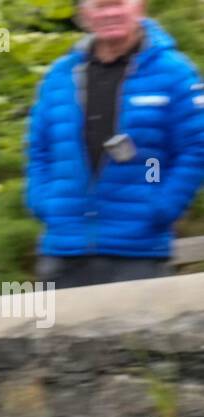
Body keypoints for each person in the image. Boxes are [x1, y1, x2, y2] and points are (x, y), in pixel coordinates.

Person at [25, 0, 204, 289]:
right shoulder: (59, 76)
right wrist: (43, 201)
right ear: (84, 14)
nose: (110, 13)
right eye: (100, 6)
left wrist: (160, 205)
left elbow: (195, 148)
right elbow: (39, 149)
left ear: (140, 7)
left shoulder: (174, 73)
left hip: (137, 254)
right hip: (63, 252)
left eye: (118, 3)